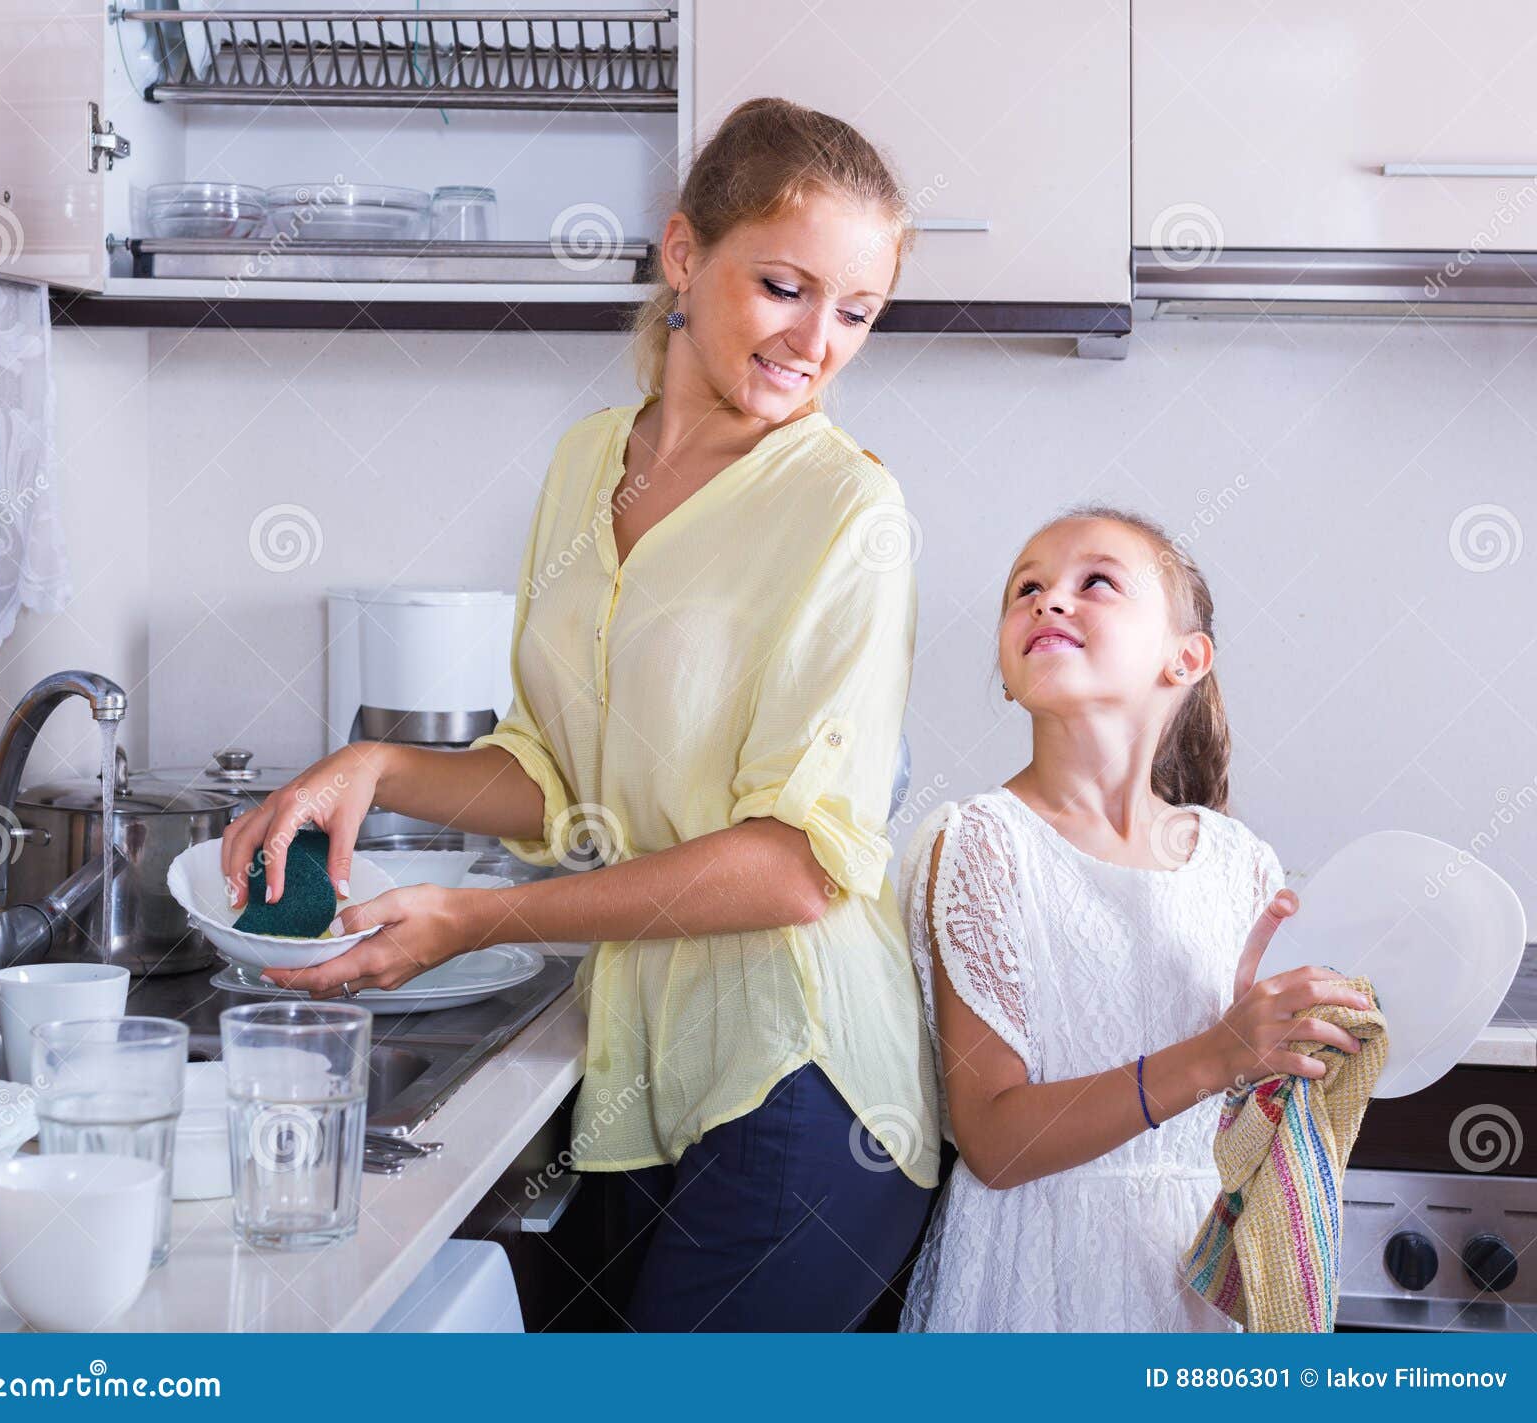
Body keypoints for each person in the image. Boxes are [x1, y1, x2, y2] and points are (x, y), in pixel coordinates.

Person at [221, 97, 939, 1332]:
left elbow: (793, 867)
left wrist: (476, 917)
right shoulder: (585, 463)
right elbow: (562, 781)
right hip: (637, 1084)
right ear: (681, 256)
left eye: (857, 311)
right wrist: (373, 766)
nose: (816, 339)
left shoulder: (846, 515)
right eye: (783, 285)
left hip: (799, 1085)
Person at [896, 507, 1370, 1332]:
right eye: (1028, 588)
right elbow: (994, 1142)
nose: (1049, 601)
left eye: (1096, 582)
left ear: (1184, 658)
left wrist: (1289, 1055)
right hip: (1033, 1277)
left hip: (1200, 1282)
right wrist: (1219, 1050)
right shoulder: (977, 843)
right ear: (1008, 674)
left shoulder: (1242, 863)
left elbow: (1249, 1115)